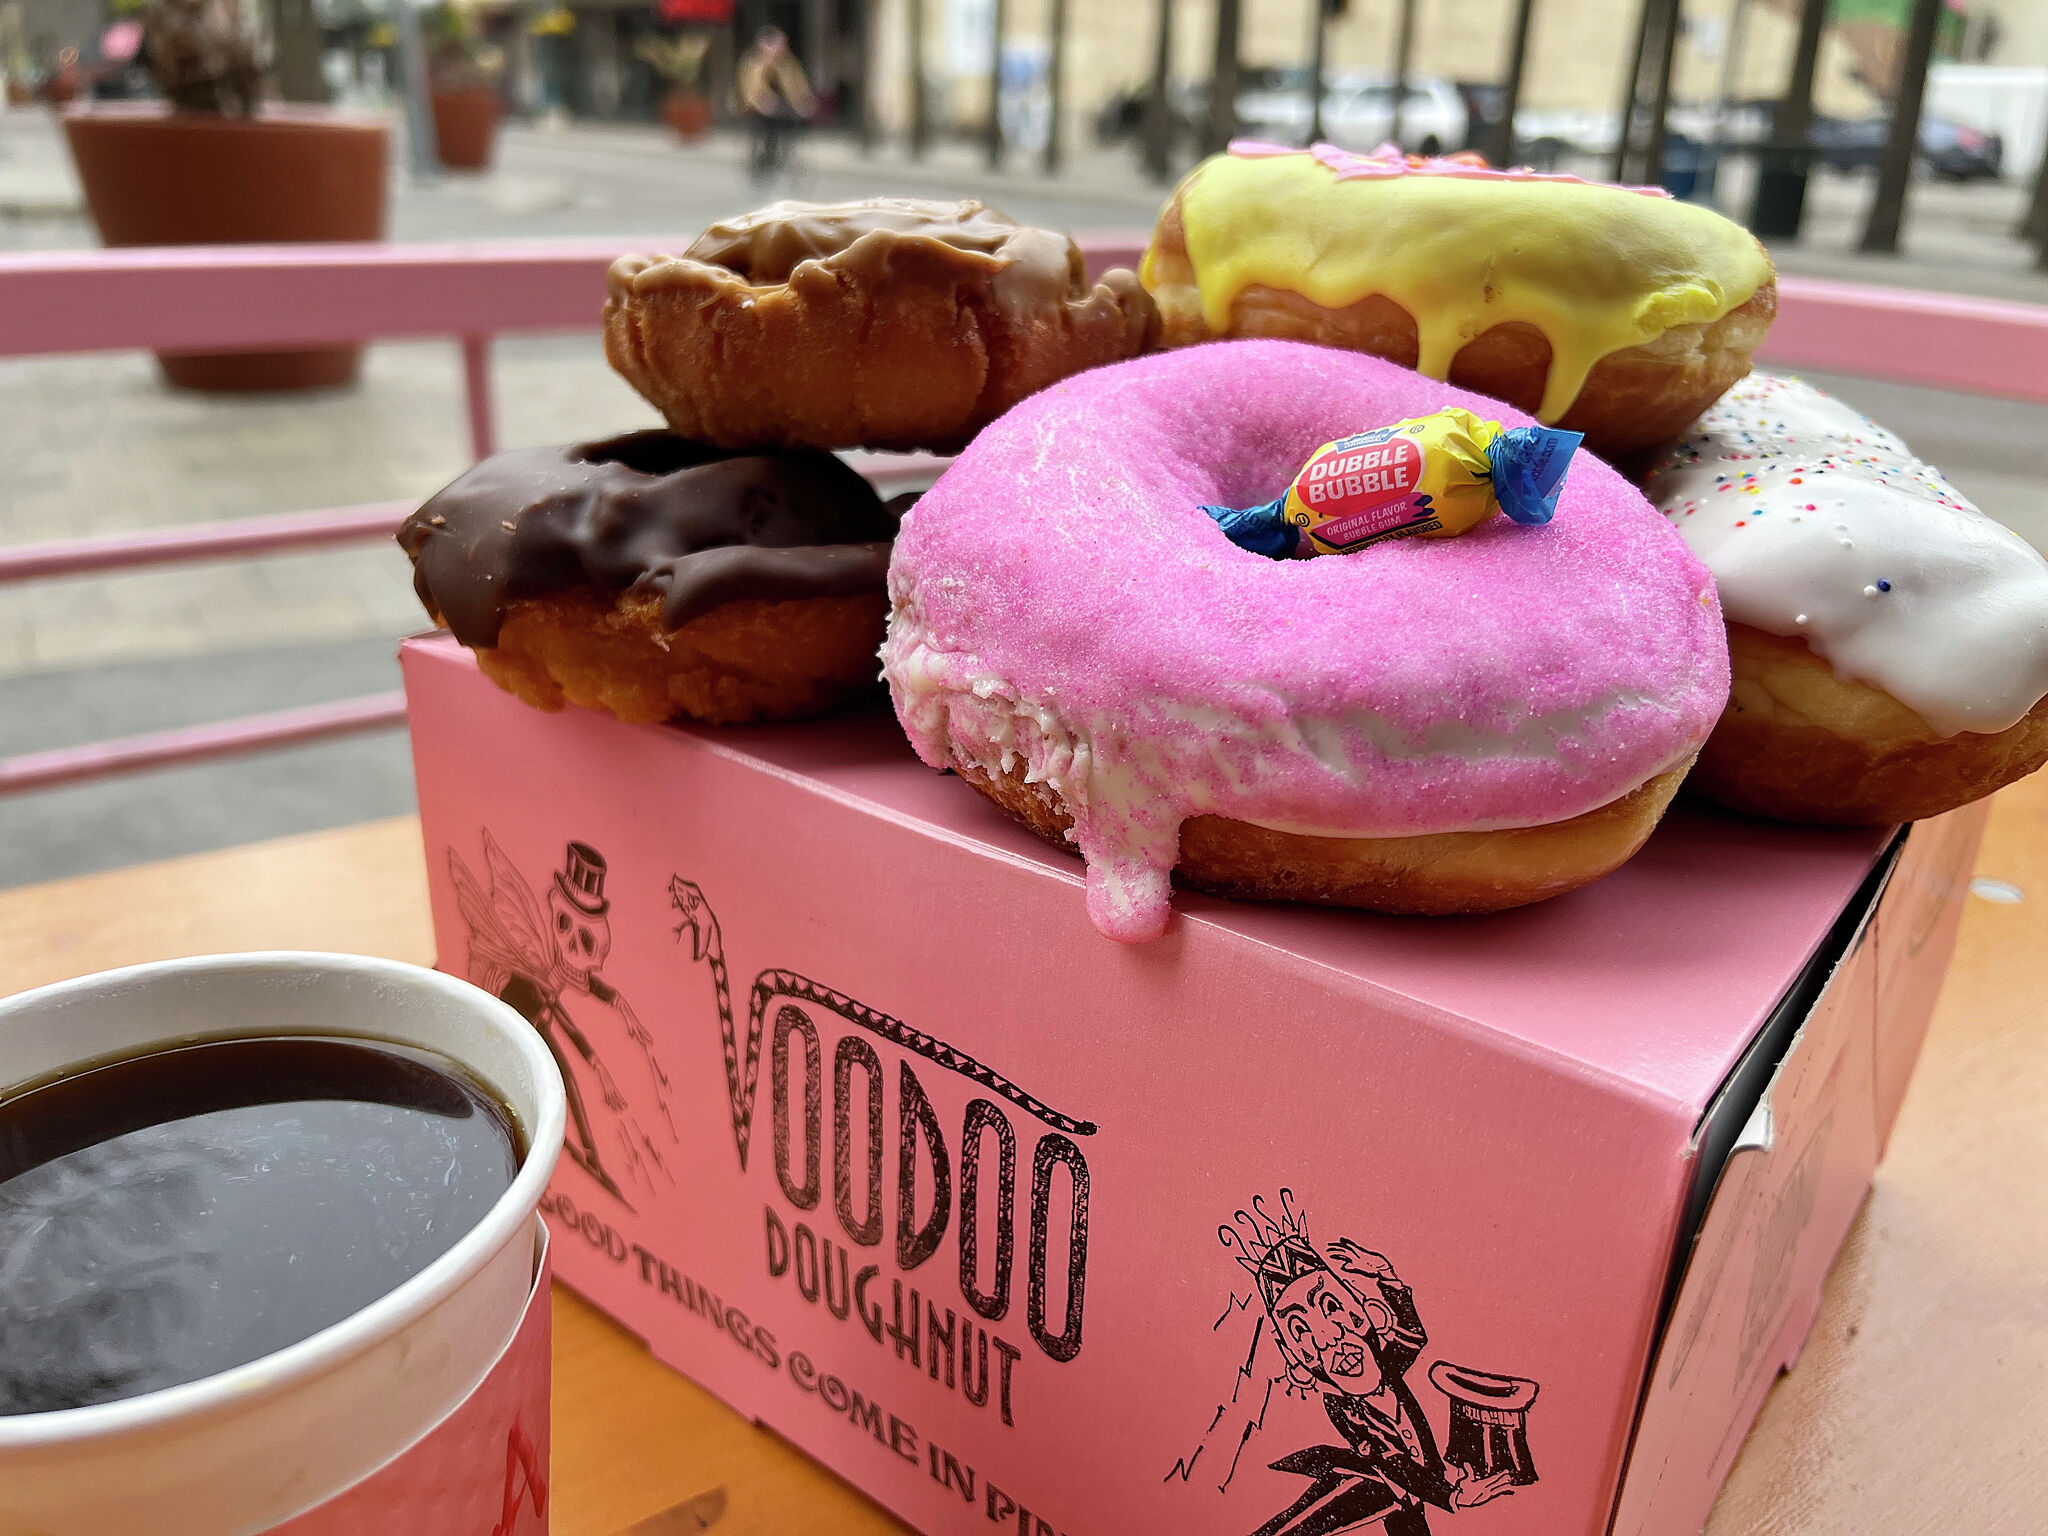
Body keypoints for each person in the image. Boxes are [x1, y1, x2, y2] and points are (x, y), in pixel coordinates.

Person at [736, 25, 813, 183]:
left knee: (789, 127)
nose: (779, 50)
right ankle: (763, 161)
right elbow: (748, 88)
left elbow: (798, 84)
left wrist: (804, 101)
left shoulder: (788, 64)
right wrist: (760, 102)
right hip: (757, 107)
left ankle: (784, 157)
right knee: (765, 130)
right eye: (776, 46)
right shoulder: (754, 64)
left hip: (781, 104)